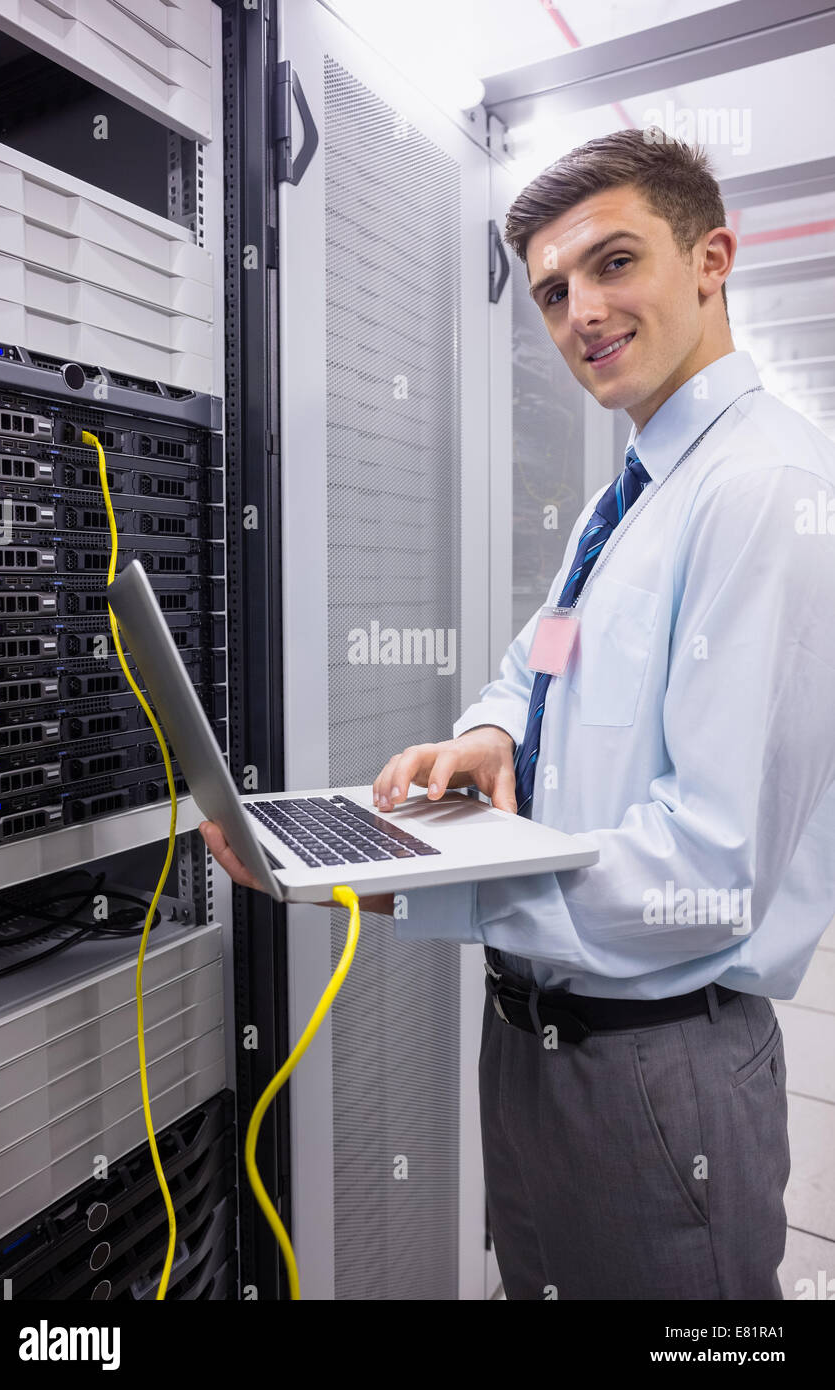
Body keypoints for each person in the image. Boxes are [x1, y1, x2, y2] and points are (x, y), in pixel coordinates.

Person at [200, 128, 835, 1300]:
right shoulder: (627, 494)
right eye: (551, 290)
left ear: (711, 259)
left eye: (611, 263)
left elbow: (708, 864)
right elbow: (540, 654)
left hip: (659, 1070)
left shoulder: (760, 493)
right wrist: (492, 731)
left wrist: (396, 876)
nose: (578, 312)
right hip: (542, 1043)